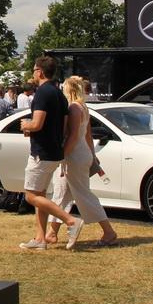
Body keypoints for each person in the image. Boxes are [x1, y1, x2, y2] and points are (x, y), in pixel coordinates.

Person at [18, 56, 84, 250]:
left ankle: (71, 221)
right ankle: (40, 239)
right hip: (55, 151)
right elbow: (63, 127)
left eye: (33, 70)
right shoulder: (58, 94)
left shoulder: (42, 94)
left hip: (41, 152)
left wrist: (26, 125)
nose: (32, 73)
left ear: (40, 71)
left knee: (31, 196)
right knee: (40, 195)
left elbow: (37, 123)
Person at [45, 75, 118, 248]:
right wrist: (92, 156)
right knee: (62, 193)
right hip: (80, 154)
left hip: (73, 156)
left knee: (82, 194)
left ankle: (109, 232)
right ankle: (51, 232)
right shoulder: (83, 107)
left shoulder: (73, 108)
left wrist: (62, 157)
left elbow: (72, 136)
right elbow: (87, 135)